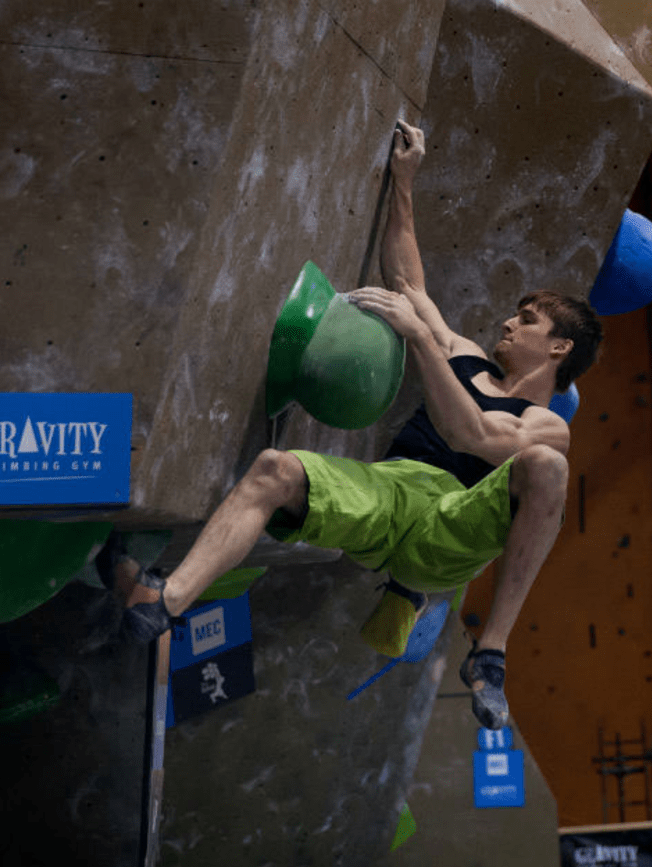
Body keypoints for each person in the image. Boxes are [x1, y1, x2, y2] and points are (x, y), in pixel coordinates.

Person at [108, 120, 602, 730]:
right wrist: (404, 180)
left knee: (547, 470)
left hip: (451, 530)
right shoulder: (465, 353)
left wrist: (421, 340)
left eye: (527, 320)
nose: (508, 322)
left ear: (559, 349)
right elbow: (407, 281)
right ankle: (168, 600)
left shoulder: (546, 426)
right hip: (392, 490)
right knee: (274, 471)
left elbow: (472, 436)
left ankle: (490, 650)